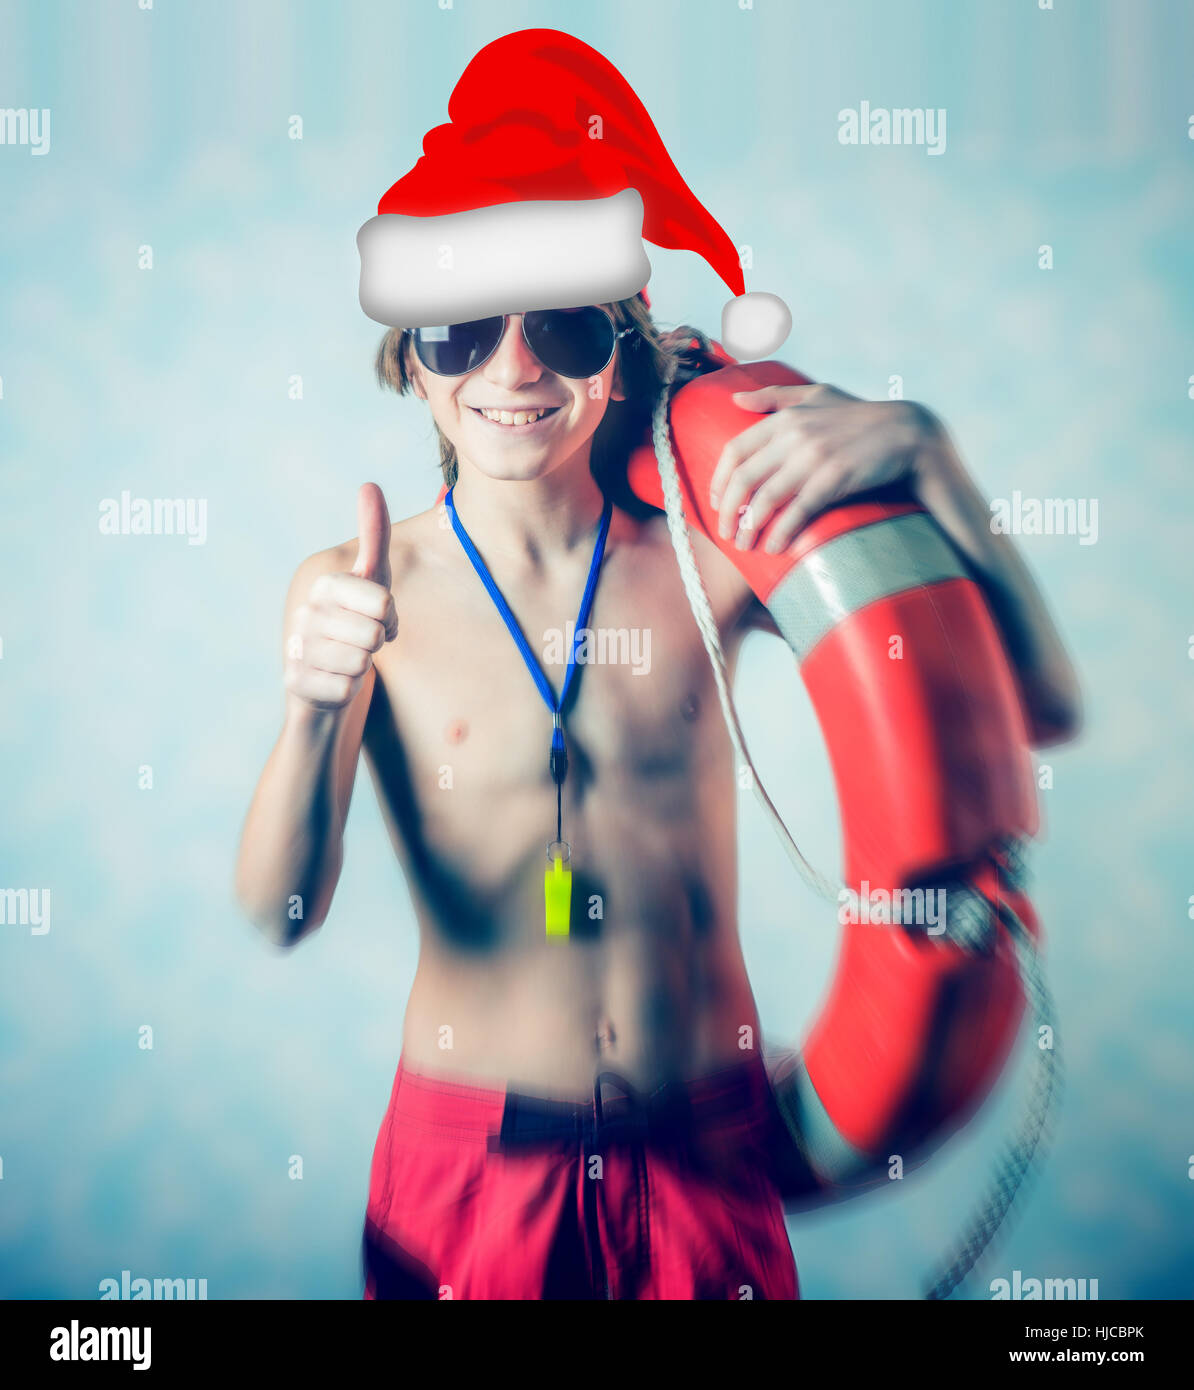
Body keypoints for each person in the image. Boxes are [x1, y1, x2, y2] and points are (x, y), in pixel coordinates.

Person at [236, 28, 1080, 1300]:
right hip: (480, 1163)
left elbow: (1046, 711)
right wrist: (310, 707)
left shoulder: (706, 559)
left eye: (564, 329)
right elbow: (280, 912)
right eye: (460, 335)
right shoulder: (361, 588)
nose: (514, 371)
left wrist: (931, 463)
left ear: (621, 342)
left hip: (703, 1153)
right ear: (409, 363)